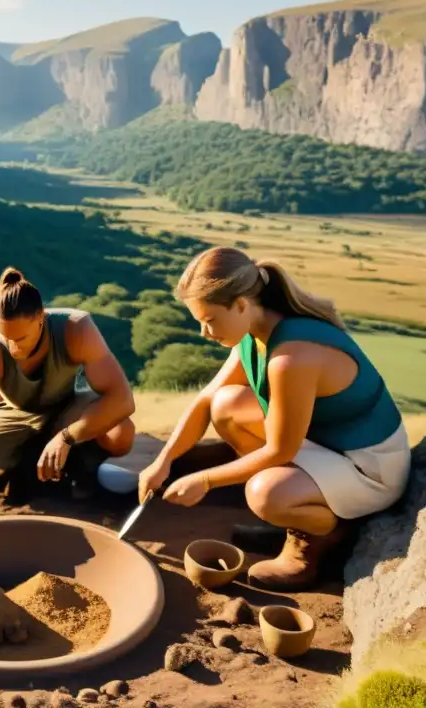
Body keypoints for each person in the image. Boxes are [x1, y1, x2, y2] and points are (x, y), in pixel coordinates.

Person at [138, 246, 411, 591]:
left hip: (369, 468)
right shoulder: (256, 332)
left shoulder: (292, 357)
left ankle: (317, 538)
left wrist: (204, 480)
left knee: (264, 494)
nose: (204, 334)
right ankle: (298, 502)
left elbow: (281, 450)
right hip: (327, 446)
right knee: (227, 405)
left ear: (239, 304)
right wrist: (164, 461)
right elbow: (207, 401)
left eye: (209, 322)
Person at [0, 267, 137, 536]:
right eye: (4, 336)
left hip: (68, 405)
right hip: (14, 412)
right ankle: (32, 465)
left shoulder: (76, 329)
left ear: (41, 318)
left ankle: (79, 466)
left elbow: (123, 400)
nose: (13, 347)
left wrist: (67, 436)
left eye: (20, 338)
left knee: (121, 434)